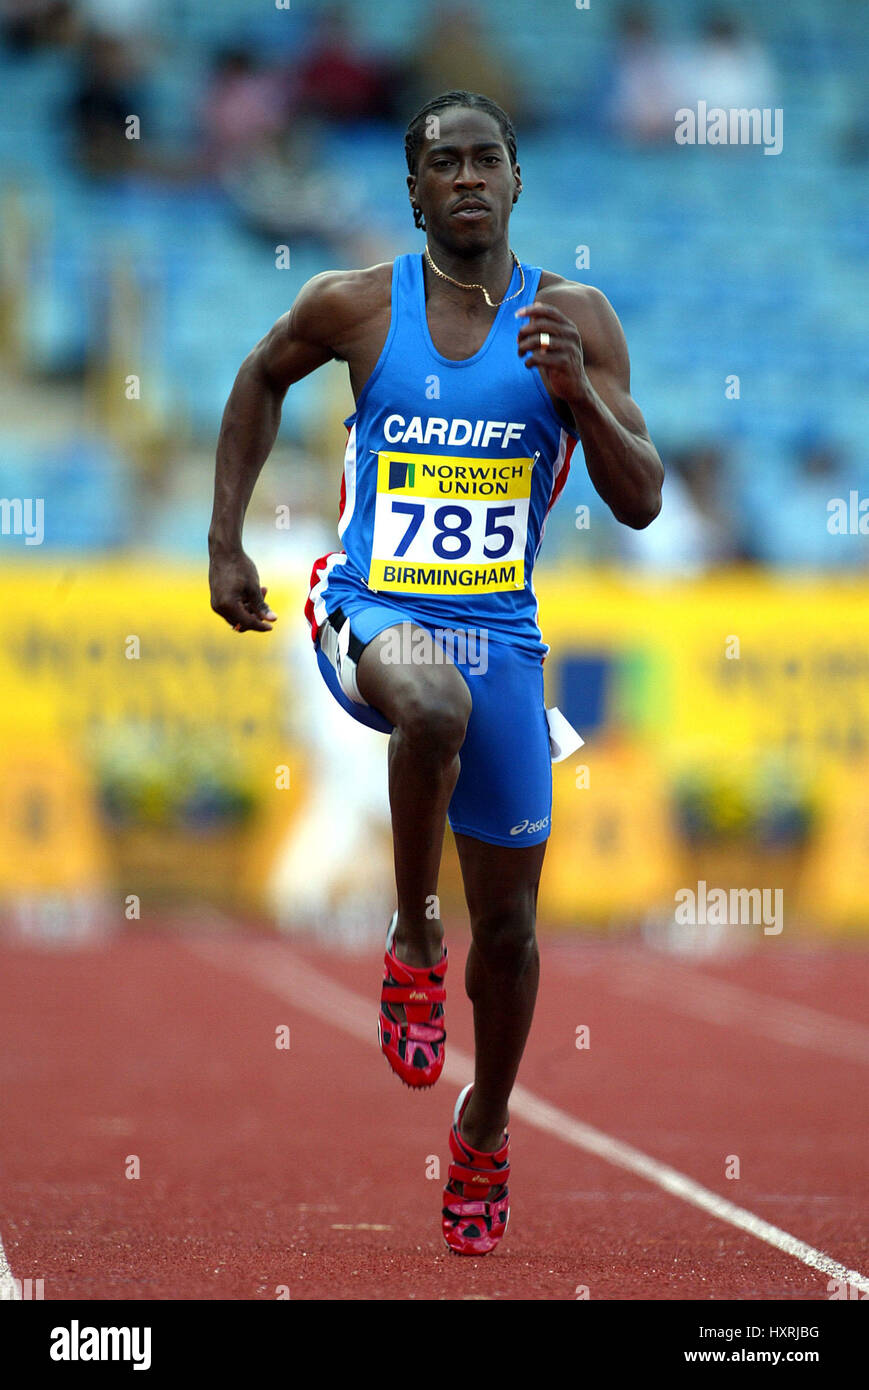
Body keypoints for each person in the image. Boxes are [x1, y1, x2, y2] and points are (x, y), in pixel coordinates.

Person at [208, 90, 663, 1256]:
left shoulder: (576, 318)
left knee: (507, 936)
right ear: (412, 191)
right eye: (442, 163)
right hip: (368, 603)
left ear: (517, 182)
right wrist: (225, 541)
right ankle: (413, 940)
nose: (466, 178)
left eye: (486, 160)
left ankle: (485, 1123)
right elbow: (261, 377)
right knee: (429, 700)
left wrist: (574, 395)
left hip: (502, 634)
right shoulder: (354, 305)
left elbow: (641, 496)